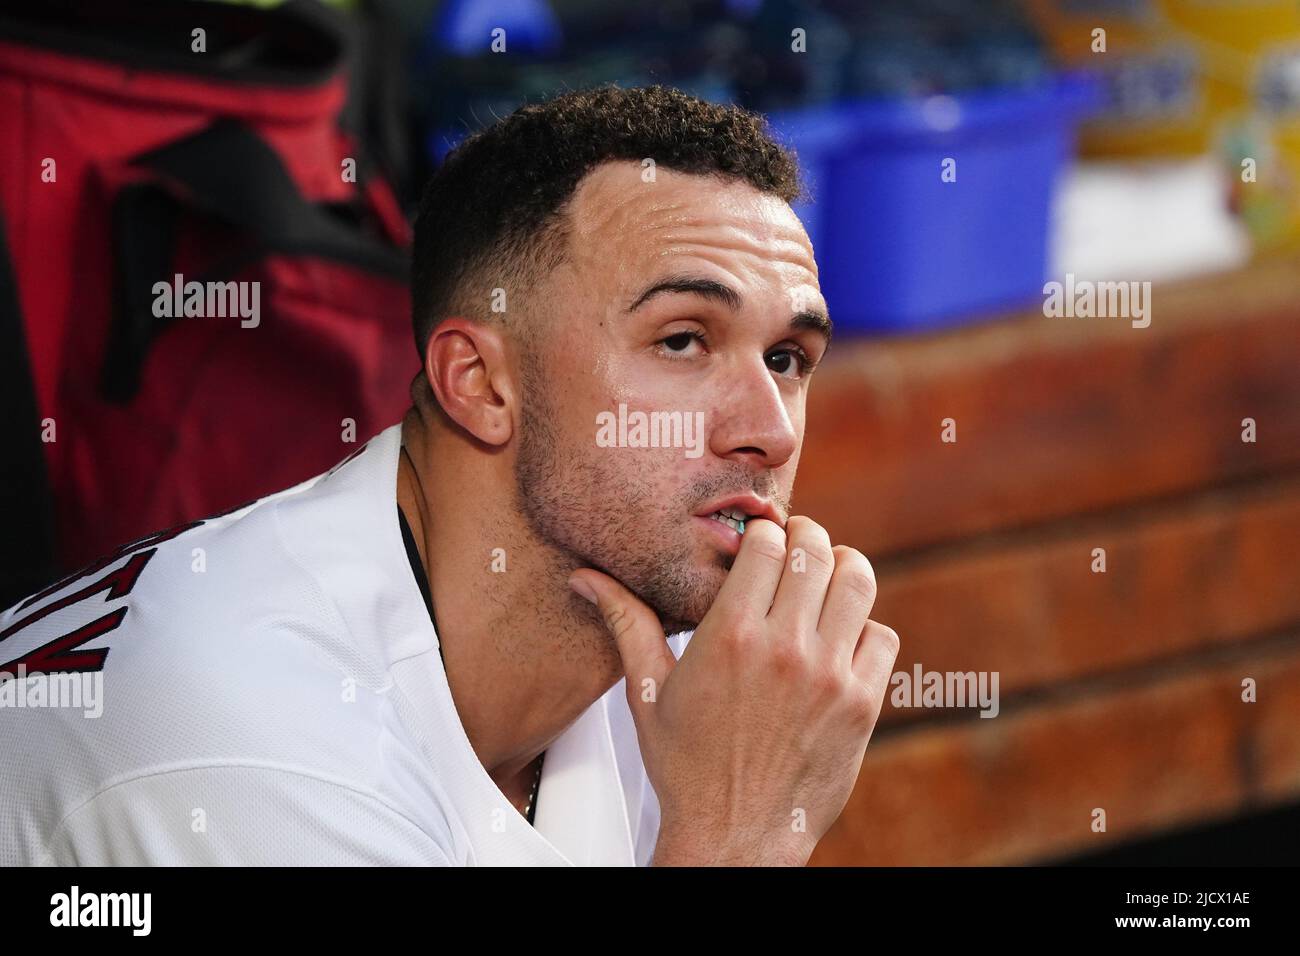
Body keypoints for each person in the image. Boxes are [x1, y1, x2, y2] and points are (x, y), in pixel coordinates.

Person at [0, 84, 899, 866]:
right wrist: (733, 841)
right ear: (479, 383)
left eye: (786, 357)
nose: (771, 432)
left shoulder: (699, 670)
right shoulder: (253, 741)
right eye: (682, 340)